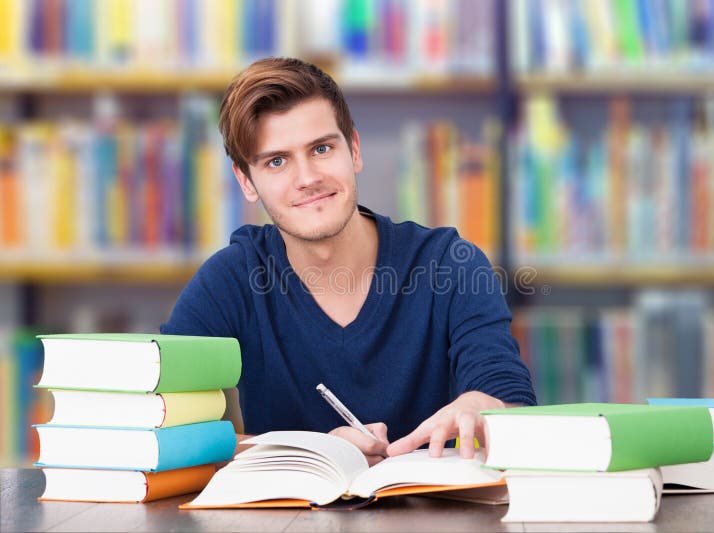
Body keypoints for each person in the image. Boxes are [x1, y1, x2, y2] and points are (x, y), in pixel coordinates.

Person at [161, 57, 536, 465]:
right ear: (246, 181)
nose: (307, 178)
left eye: (321, 148)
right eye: (277, 161)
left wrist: (482, 405)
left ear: (353, 150)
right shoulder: (231, 279)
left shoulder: (451, 264)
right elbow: (163, 422)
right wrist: (312, 451)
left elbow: (509, 400)